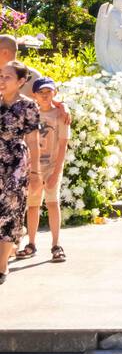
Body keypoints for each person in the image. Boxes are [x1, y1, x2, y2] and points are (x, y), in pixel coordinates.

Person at [15, 76, 69, 264]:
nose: (45, 96)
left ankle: (56, 244)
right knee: (33, 205)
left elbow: (63, 145)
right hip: (33, 167)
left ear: (55, 93)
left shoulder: (60, 115)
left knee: (52, 203)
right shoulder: (30, 113)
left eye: (49, 92)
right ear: (34, 95)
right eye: (41, 93)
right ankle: (31, 243)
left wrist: (56, 172)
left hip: (52, 166)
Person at [0, 62, 41, 286]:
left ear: (20, 81)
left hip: (16, 162)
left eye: (7, 77)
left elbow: (33, 141)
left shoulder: (28, 106)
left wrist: (35, 173)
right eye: (0, 75)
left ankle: (2, 265)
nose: (2, 80)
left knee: (10, 210)